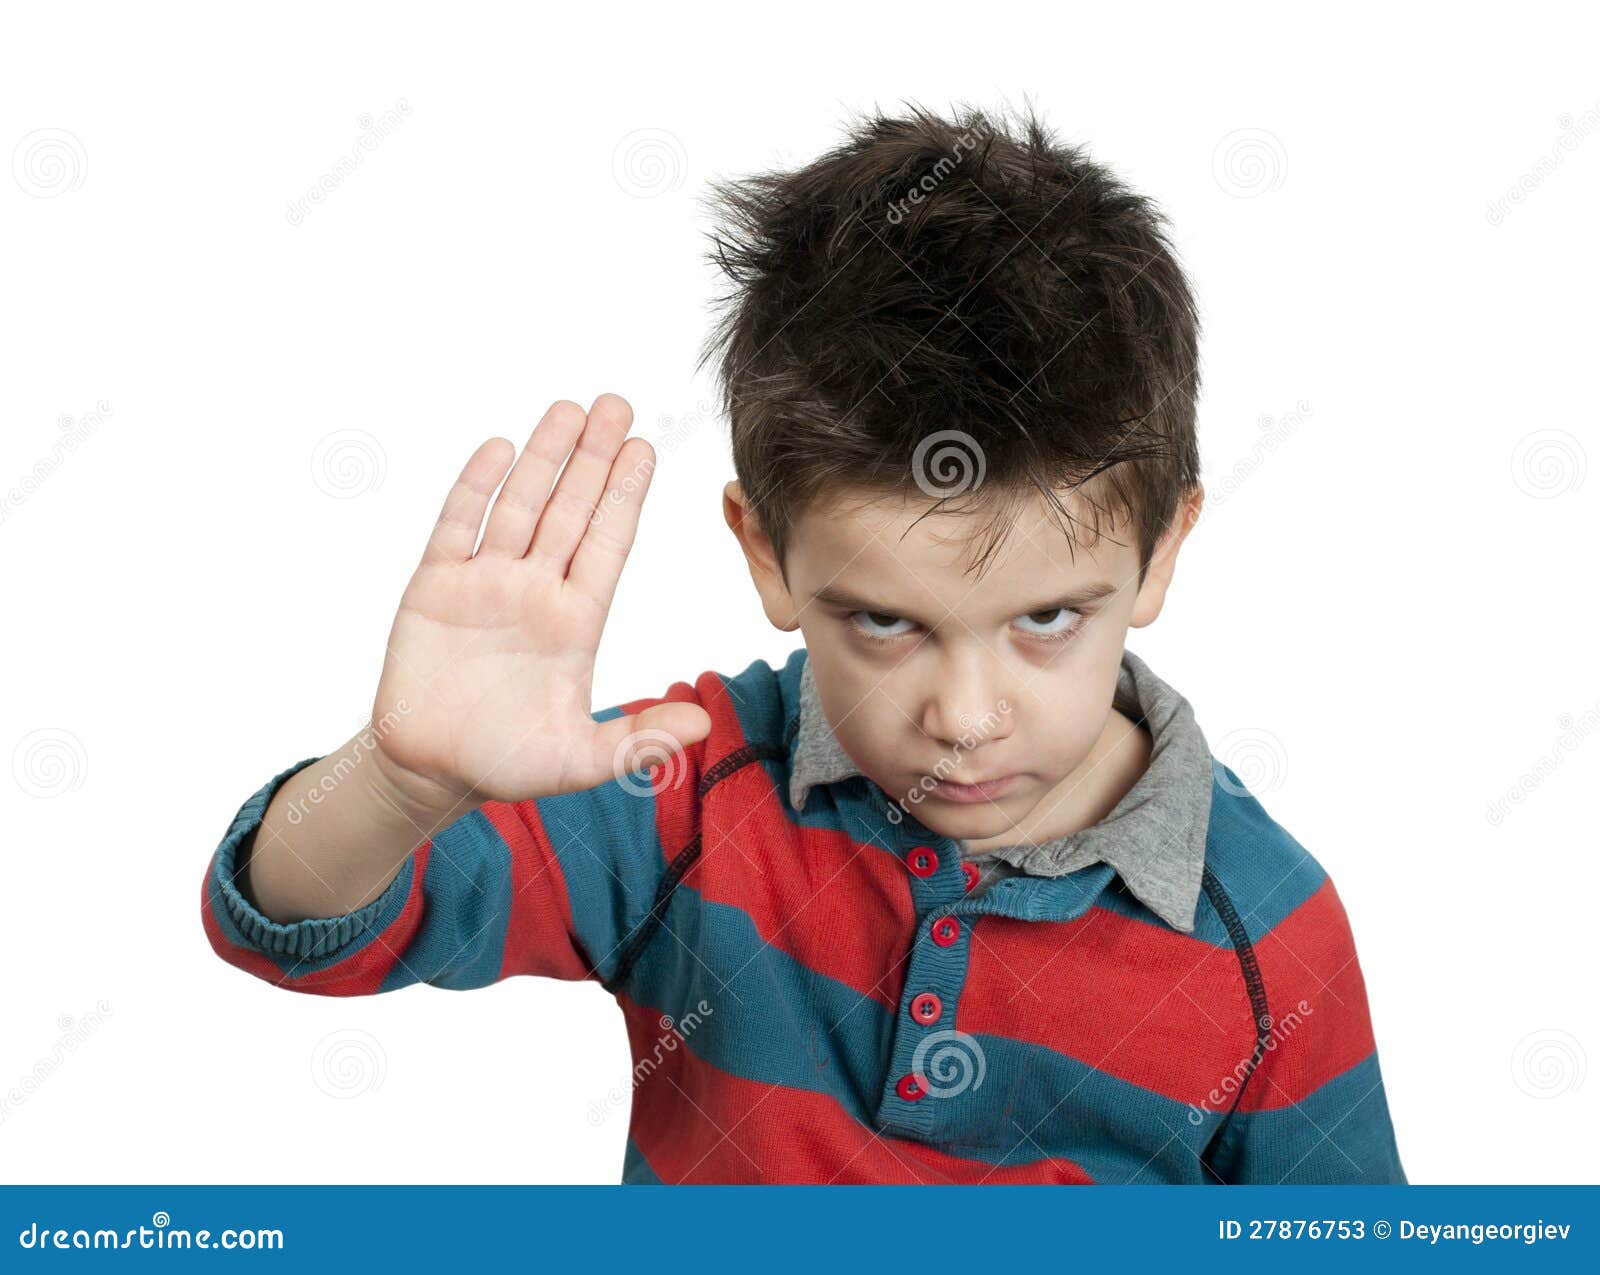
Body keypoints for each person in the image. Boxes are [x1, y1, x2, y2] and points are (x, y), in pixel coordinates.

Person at [200, 102, 1405, 1185]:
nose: (965, 715)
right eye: (886, 620)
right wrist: (401, 781)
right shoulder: (694, 788)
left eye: (1046, 619)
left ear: (1163, 550)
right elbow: (298, 924)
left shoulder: (1265, 931)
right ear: (767, 553)